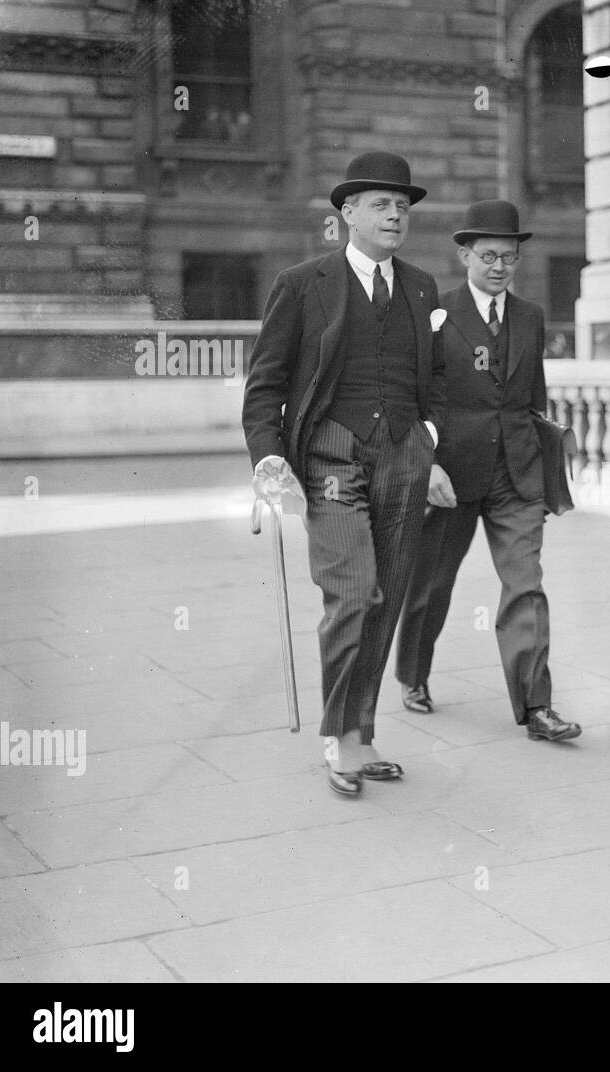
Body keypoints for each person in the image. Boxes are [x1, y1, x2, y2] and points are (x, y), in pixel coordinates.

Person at [242, 151, 446, 796]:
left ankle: (361, 730)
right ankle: (340, 736)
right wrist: (269, 459)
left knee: (386, 597)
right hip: (331, 456)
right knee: (354, 593)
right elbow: (265, 384)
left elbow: (434, 375)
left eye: (403, 207)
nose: (395, 216)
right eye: (382, 205)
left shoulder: (420, 287)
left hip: (403, 458)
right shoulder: (304, 283)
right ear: (347, 213)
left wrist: (429, 435)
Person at [394, 200, 580, 743]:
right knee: (430, 586)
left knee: (526, 586)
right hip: (451, 475)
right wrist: (426, 467)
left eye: (510, 257)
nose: (500, 266)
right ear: (464, 256)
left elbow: (533, 398)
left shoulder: (530, 317)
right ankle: (413, 674)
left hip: (516, 475)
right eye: (489, 256)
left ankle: (537, 707)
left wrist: (547, 470)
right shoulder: (437, 316)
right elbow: (415, 401)